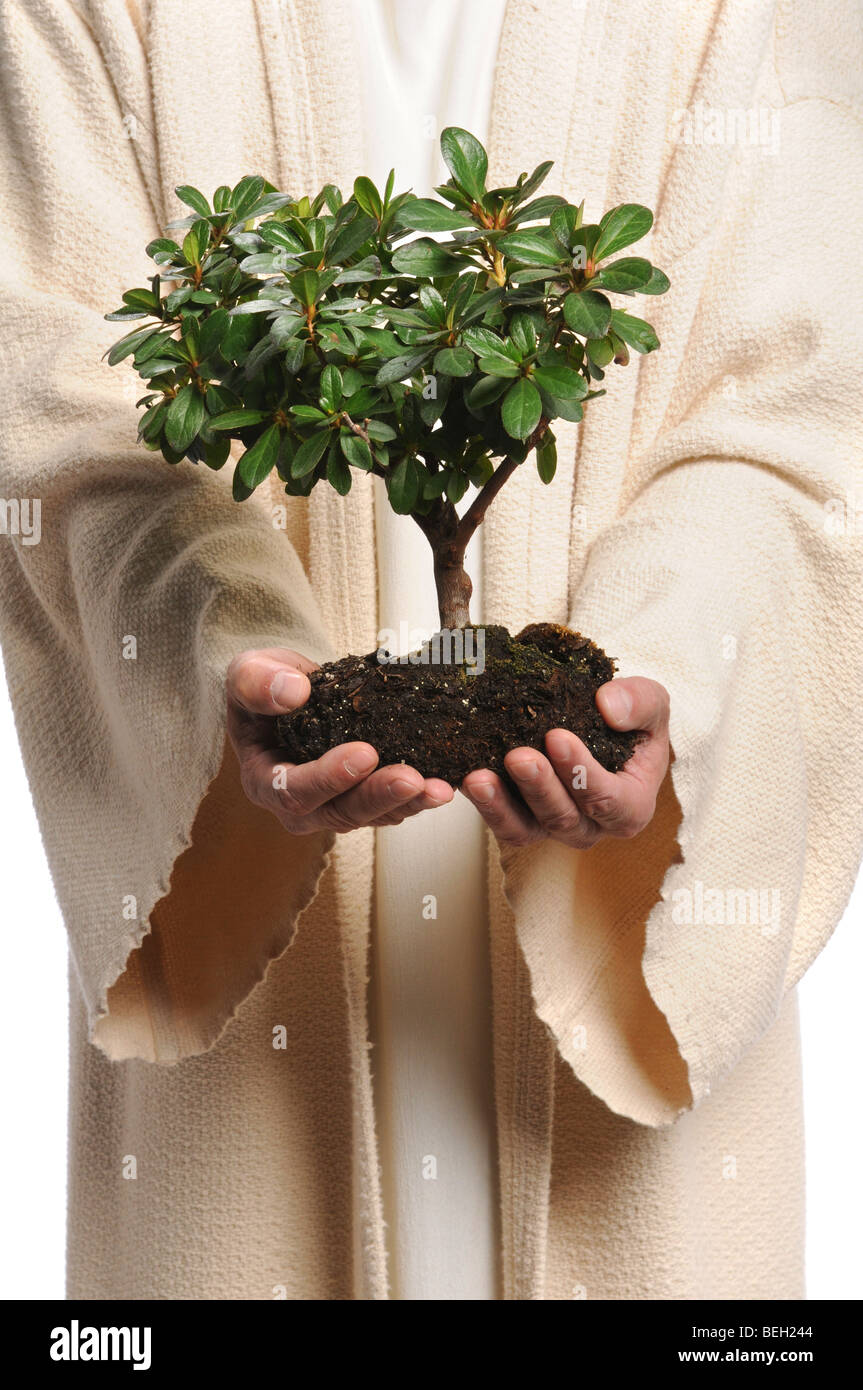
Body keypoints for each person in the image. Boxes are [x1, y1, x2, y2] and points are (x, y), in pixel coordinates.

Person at [0, 0, 860, 1300]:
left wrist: (649, 676)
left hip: (627, 1184)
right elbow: (49, 390)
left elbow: (796, 418)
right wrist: (221, 645)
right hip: (244, 1123)